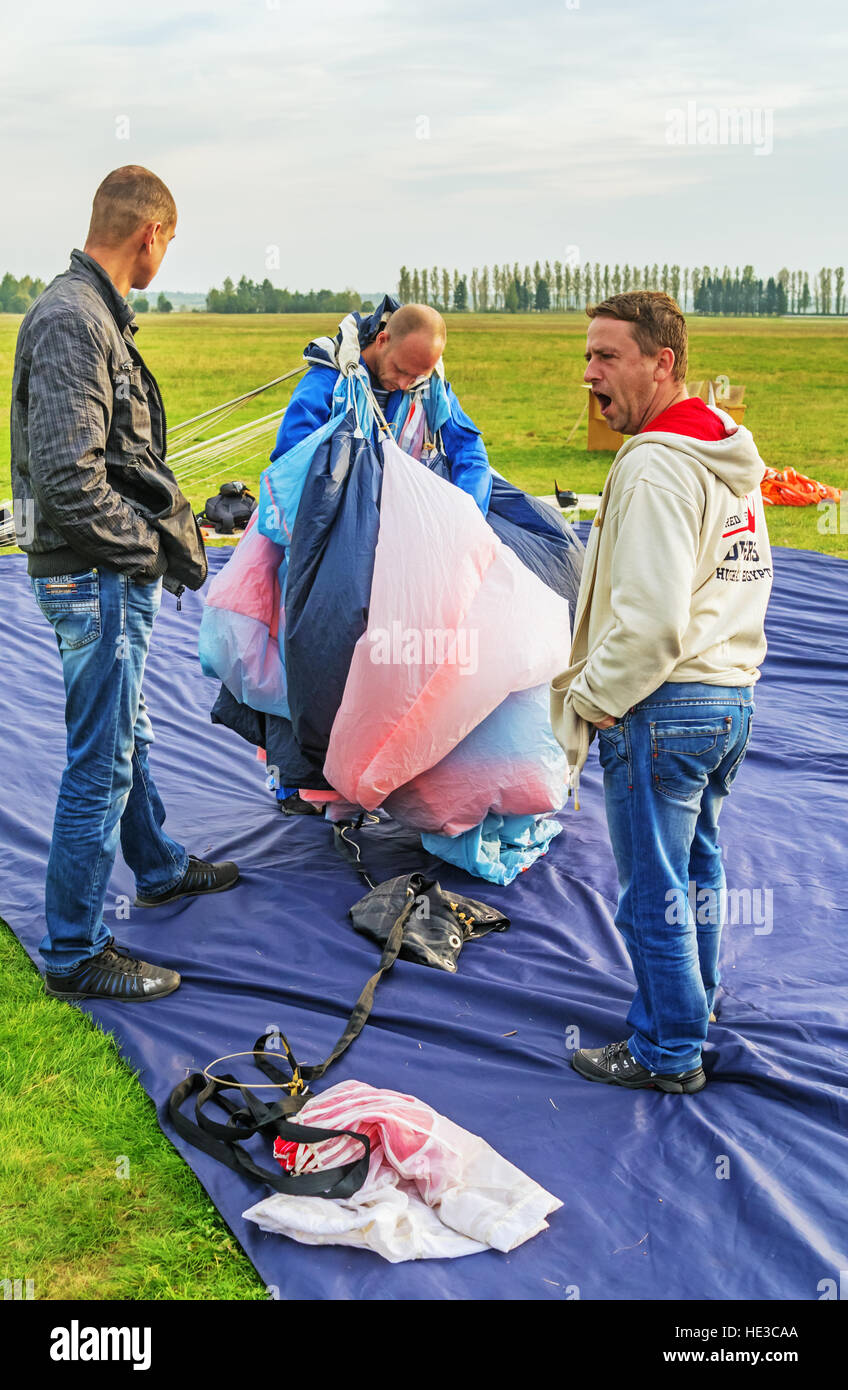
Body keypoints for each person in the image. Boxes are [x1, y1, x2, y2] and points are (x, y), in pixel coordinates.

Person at [10, 165, 238, 1004]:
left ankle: (159, 866)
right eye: (166, 246)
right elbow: (71, 479)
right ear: (151, 236)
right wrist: (145, 550)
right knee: (100, 762)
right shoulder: (75, 321)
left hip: (93, 570)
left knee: (126, 731)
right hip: (93, 577)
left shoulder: (84, 311)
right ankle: (74, 949)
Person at [550, 291, 773, 1093]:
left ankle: (666, 1050)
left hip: (666, 705)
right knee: (698, 870)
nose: (590, 375)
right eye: (587, 356)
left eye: (607, 357)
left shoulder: (653, 467)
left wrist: (593, 700)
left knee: (652, 888)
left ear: (662, 361)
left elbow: (649, 624)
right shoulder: (728, 452)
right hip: (730, 699)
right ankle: (697, 1008)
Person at [273, 297, 493, 514]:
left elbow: (469, 452)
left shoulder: (431, 390)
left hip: (406, 522)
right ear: (381, 340)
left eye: (416, 377)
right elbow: (292, 457)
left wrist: (467, 516)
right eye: (400, 369)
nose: (404, 384)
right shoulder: (332, 381)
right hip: (341, 523)